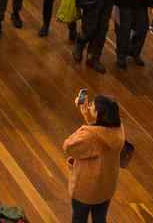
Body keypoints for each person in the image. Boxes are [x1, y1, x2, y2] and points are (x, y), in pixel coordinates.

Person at [64, 93, 125, 223]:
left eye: (92, 105)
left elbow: (68, 146)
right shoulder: (118, 128)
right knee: (100, 218)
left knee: (79, 219)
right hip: (106, 186)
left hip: (86, 188)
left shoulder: (90, 136)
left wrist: (85, 129)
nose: (89, 105)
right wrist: (88, 116)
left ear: (98, 114)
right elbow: (101, 131)